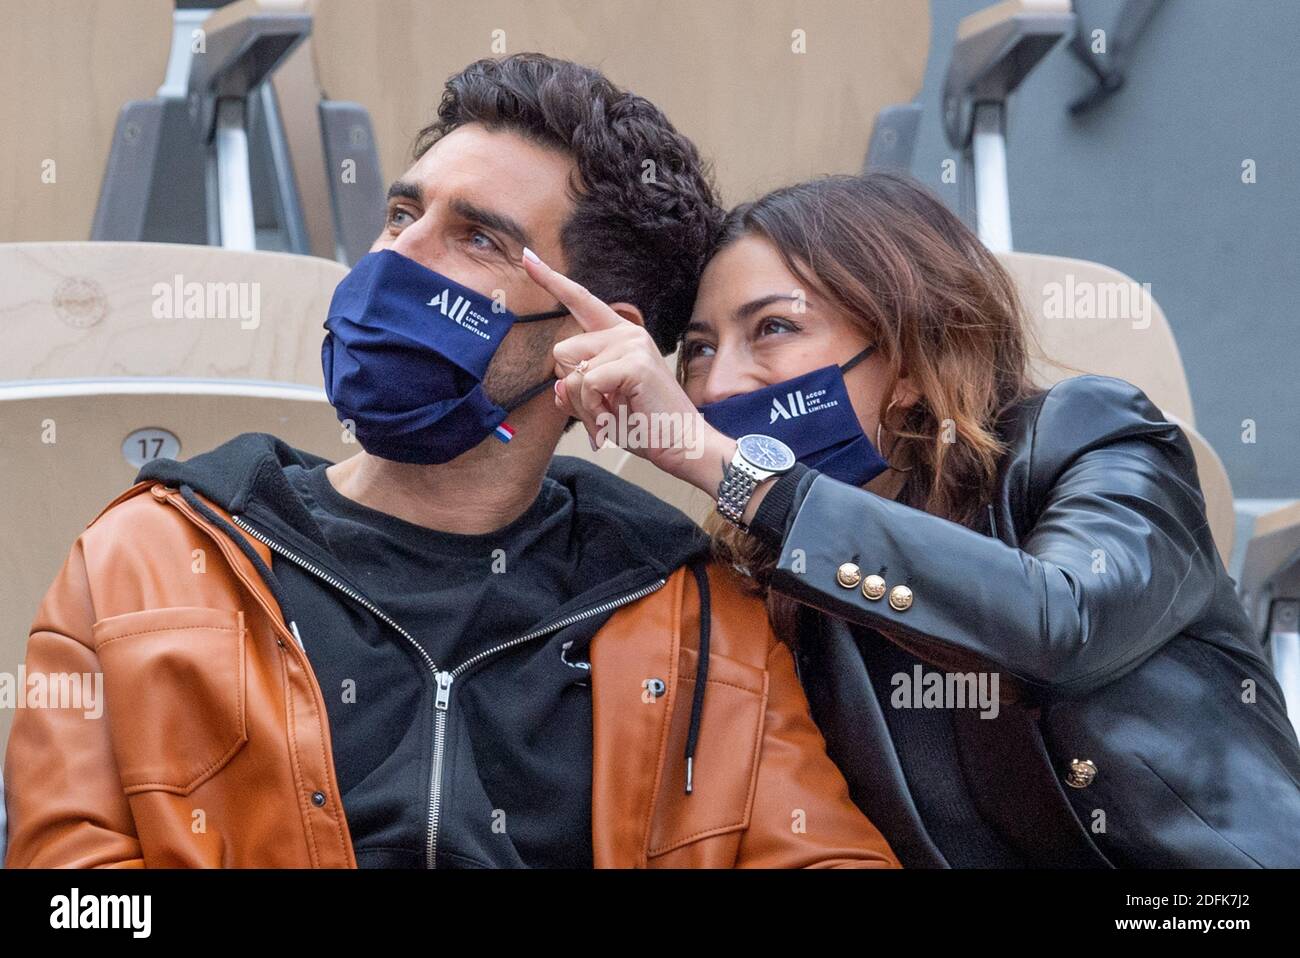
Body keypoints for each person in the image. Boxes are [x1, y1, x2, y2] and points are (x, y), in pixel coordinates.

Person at [2, 56, 898, 870]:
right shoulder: (148, 560)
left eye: (477, 240)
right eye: (401, 214)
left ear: (592, 341)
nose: (397, 257)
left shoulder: (691, 613)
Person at [522, 170, 1300, 867]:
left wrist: (733, 471)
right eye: (696, 349)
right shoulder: (777, 586)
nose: (718, 384)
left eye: (774, 328)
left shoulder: (1090, 436)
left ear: (909, 356)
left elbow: (1059, 626)